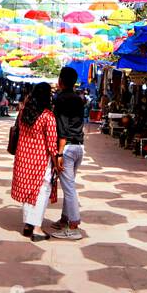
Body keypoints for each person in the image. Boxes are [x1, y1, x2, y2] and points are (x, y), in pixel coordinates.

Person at [11, 82, 59, 241]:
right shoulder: (47, 116)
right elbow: (52, 145)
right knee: (41, 192)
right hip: (40, 160)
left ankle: (28, 224)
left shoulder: (24, 112)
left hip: (23, 158)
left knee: (27, 191)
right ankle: (37, 228)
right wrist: (57, 163)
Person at [49, 66, 86, 240]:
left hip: (68, 148)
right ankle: (65, 219)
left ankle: (74, 225)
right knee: (69, 185)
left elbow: (62, 127)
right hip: (79, 147)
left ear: (60, 81)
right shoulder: (79, 99)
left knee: (69, 188)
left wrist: (59, 153)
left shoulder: (61, 99)